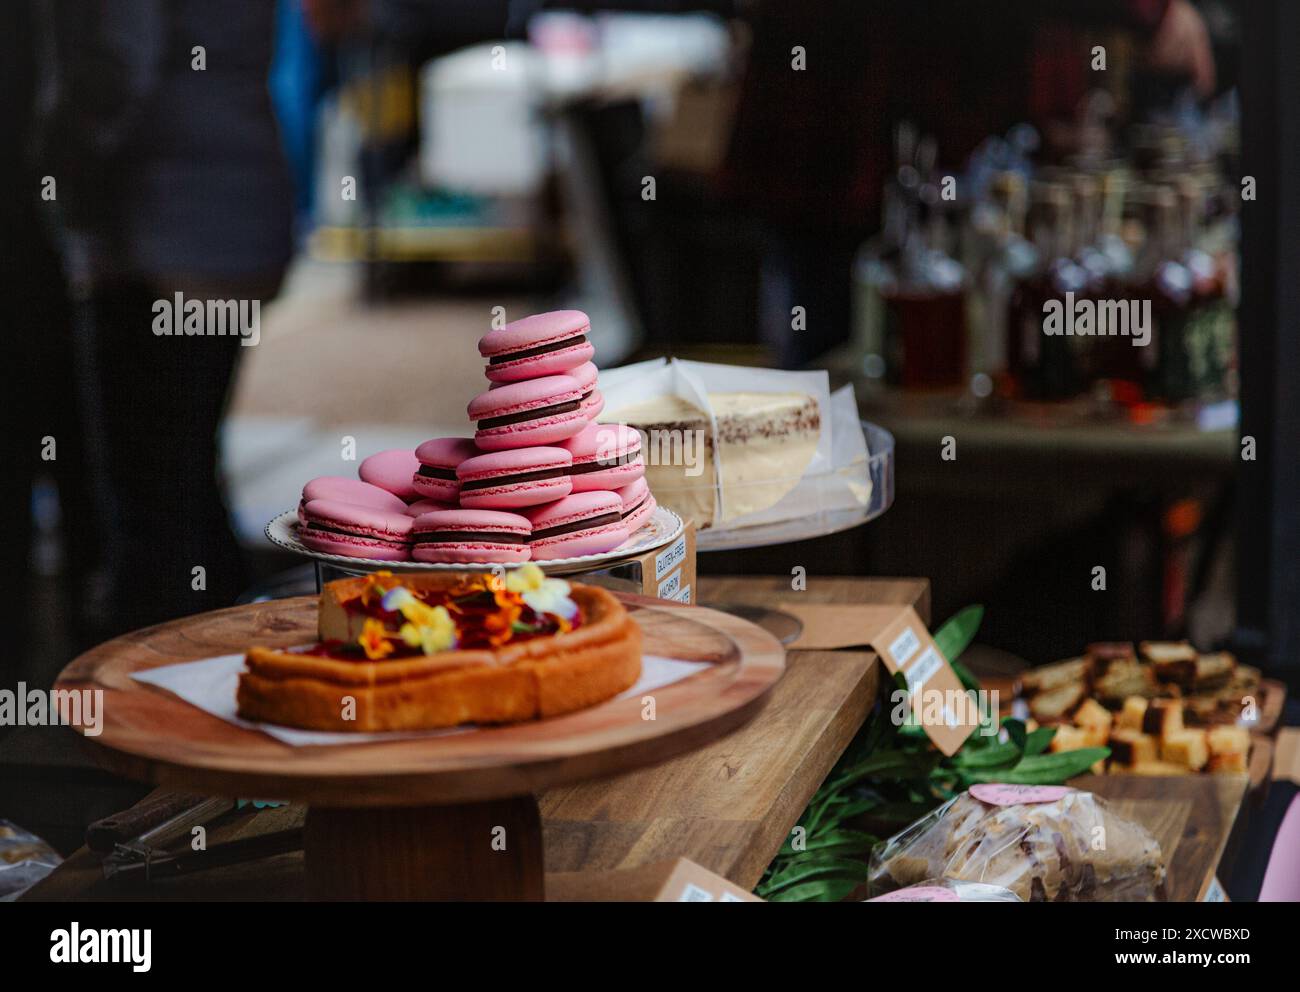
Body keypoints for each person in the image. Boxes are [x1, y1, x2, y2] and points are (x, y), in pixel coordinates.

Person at [39, 0, 294, 635]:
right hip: (237, 212)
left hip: (158, 228)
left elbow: (115, 63)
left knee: (148, 497)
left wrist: (48, 172)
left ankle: (153, 689)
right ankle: (225, 660)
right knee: (186, 475)